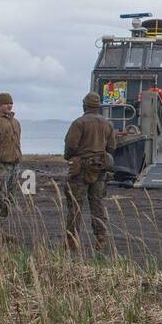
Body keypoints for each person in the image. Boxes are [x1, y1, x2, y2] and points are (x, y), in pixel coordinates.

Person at [64, 92, 116, 252]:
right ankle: (101, 239)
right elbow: (112, 147)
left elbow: (71, 146)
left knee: (75, 205)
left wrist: (70, 157)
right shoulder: (107, 124)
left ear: (84, 105)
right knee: (98, 204)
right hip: (100, 169)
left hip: (80, 170)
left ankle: (72, 240)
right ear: (98, 106)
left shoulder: (79, 123)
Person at [0, 92, 22, 234]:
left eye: (11, 103)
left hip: (15, 165)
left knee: (9, 199)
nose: (10, 105)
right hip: (0, 165)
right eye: (6, 103)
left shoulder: (15, 122)